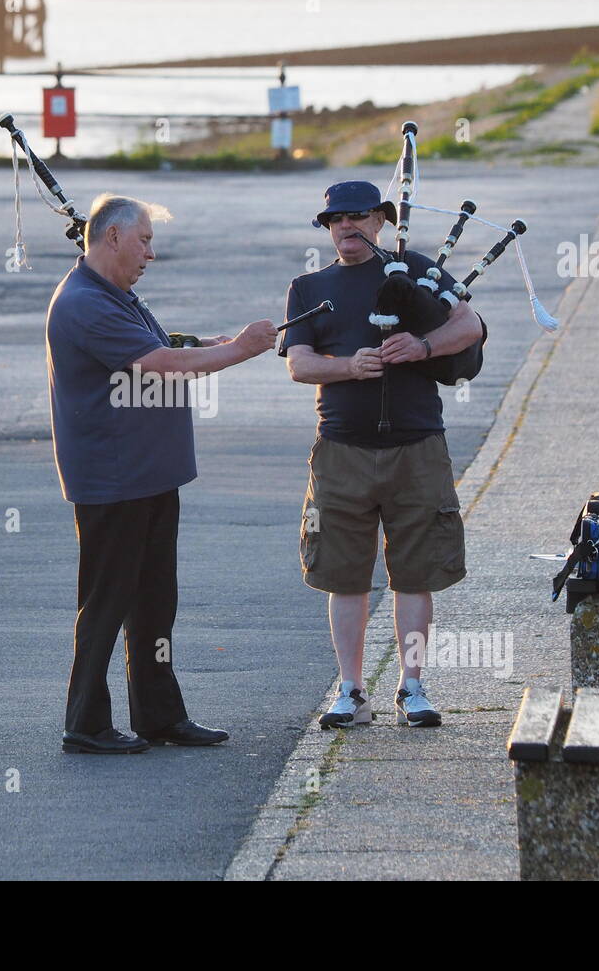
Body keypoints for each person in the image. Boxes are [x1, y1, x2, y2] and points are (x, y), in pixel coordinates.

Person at [45, 193, 278, 754]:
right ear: (113, 238)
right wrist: (243, 349)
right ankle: (87, 723)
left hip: (148, 476)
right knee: (107, 602)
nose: (151, 253)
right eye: (145, 240)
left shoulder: (116, 295)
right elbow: (161, 365)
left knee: (154, 604)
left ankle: (158, 715)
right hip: (114, 480)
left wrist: (213, 343)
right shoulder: (85, 303)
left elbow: (163, 347)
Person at [280, 181, 483, 730]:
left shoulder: (415, 270)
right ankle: (351, 691)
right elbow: (298, 363)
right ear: (327, 227)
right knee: (344, 576)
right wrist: (350, 366)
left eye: (357, 217)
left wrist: (422, 347)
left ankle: (412, 688)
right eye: (334, 219)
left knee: (414, 574)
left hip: (417, 444)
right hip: (341, 448)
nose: (345, 226)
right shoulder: (308, 287)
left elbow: (470, 326)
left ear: (380, 220)